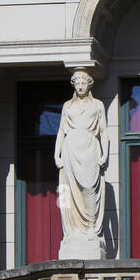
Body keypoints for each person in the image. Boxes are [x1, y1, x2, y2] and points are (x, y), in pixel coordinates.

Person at [54, 70, 109, 256]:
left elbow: (104, 131)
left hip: (90, 148)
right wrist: (57, 154)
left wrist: (105, 153)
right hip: (70, 149)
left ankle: (91, 228)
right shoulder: (67, 106)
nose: (80, 86)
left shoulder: (97, 105)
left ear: (89, 84)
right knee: (69, 188)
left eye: (83, 83)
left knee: (89, 188)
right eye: (77, 83)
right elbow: (61, 131)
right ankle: (72, 232)